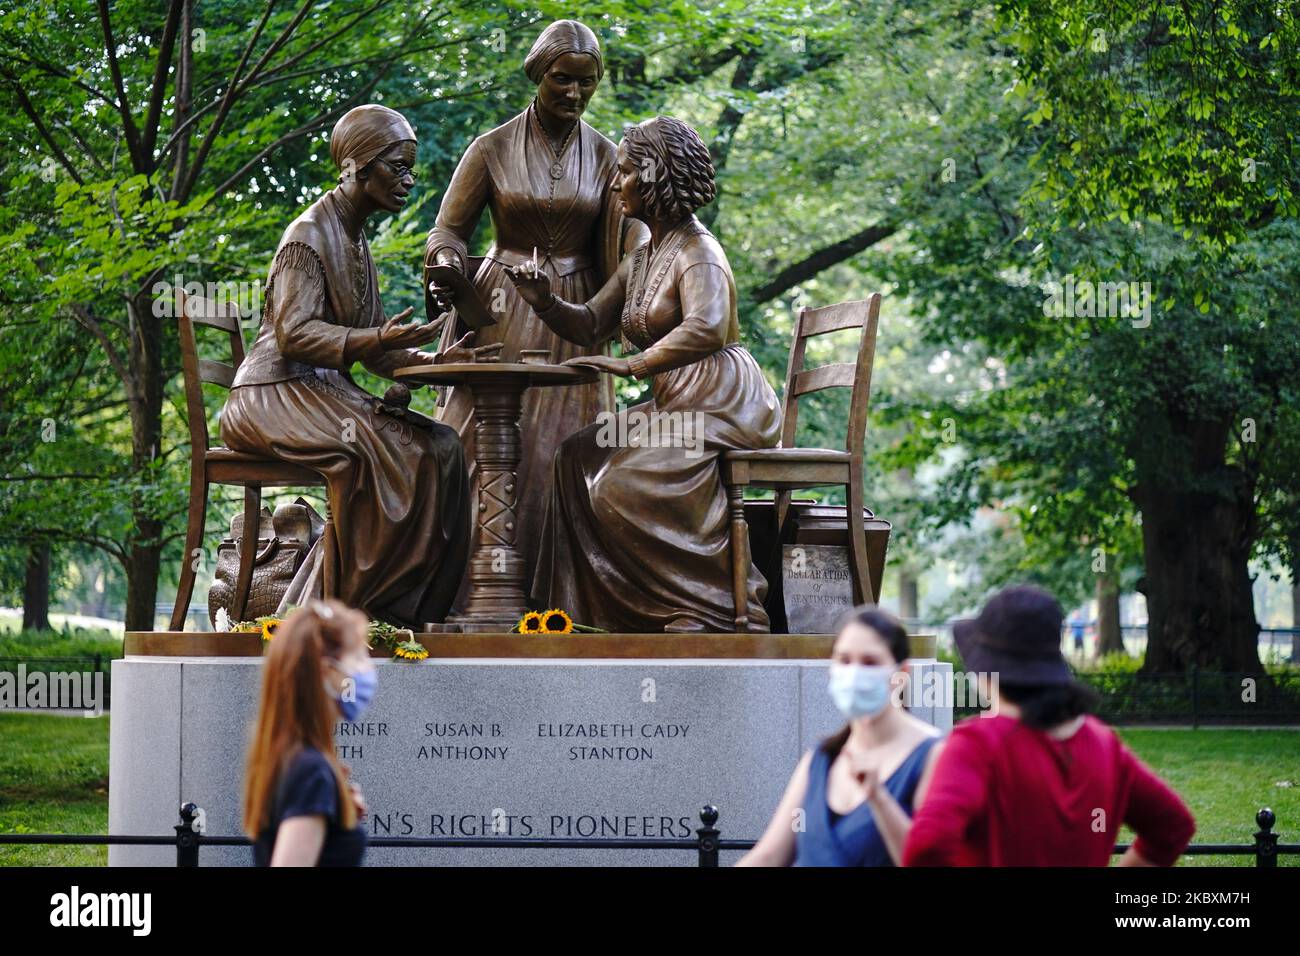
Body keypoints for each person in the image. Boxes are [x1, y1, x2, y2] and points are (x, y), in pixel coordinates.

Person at [505, 116, 782, 632]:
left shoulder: (700, 252)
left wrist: (631, 364)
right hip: (675, 403)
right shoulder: (644, 255)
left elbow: (709, 327)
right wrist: (545, 301)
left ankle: (708, 606)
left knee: (619, 484)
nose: (615, 184)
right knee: (574, 455)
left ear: (657, 178)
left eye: (626, 172)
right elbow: (590, 323)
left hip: (721, 403)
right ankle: (584, 614)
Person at [223, 104, 492, 629]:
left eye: (411, 168)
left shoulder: (355, 238)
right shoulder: (308, 235)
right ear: (358, 165)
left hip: (320, 391)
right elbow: (294, 333)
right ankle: (348, 605)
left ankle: (407, 609)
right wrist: (375, 338)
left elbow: (377, 351)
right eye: (399, 166)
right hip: (271, 394)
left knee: (441, 447)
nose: (409, 180)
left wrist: (438, 361)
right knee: (372, 450)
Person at [424, 19, 649, 596]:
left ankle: (553, 596)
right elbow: (447, 229)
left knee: (564, 451)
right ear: (537, 74)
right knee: (473, 442)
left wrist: (609, 297)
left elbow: (635, 245)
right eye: (561, 80)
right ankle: (467, 589)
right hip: (498, 307)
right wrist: (447, 264)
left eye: (586, 83)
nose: (573, 93)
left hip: (574, 313)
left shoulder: (607, 156)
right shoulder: (491, 148)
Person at [903, 584, 1196, 866]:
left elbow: (927, 846)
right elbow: (1172, 827)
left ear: (985, 669)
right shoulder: (1102, 743)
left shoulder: (978, 743)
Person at [737, 608, 942, 866]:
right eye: (845, 660)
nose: (855, 673)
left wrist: (878, 798)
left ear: (901, 673)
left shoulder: (932, 755)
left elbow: (927, 860)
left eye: (870, 662)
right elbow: (769, 855)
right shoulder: (822, 758)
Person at [243, 600, 374, 866]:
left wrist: (338, 816)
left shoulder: (294, 757)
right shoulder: (311, 770)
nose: (367, 670)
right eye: (359, 657)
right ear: (329, 672)